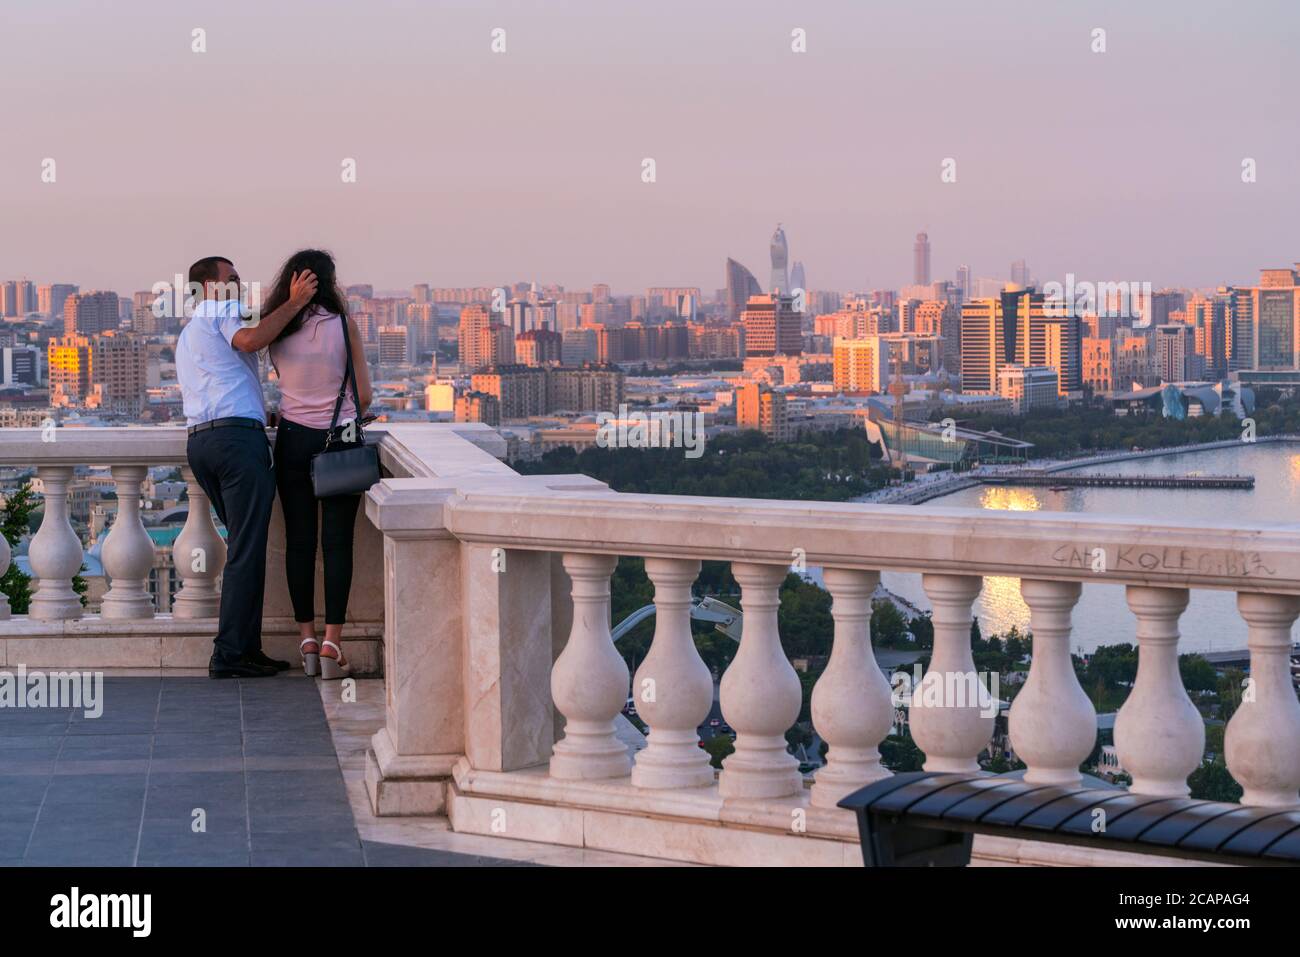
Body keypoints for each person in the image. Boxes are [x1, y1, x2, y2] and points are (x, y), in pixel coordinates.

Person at [177, 256, 318, 679]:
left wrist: (256, 413)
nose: (238, 284)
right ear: (209, 287)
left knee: (244, 544)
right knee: (245, 549)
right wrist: (294, 303)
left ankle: (244, 648)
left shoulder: (189, 333)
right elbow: (251, 341)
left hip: (204, 441)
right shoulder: (221, 310)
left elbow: (221, 383)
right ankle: (231, 654)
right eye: (231, 278)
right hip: (235, 443)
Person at [264, 250, 373, 678]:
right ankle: (332, 645)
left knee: (299, 542)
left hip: (291, 439)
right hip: (340, 439)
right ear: (330, 282)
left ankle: (306, 639)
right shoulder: (344, 327)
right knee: (337, 543)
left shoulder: (277, 331)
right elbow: (363, 396)